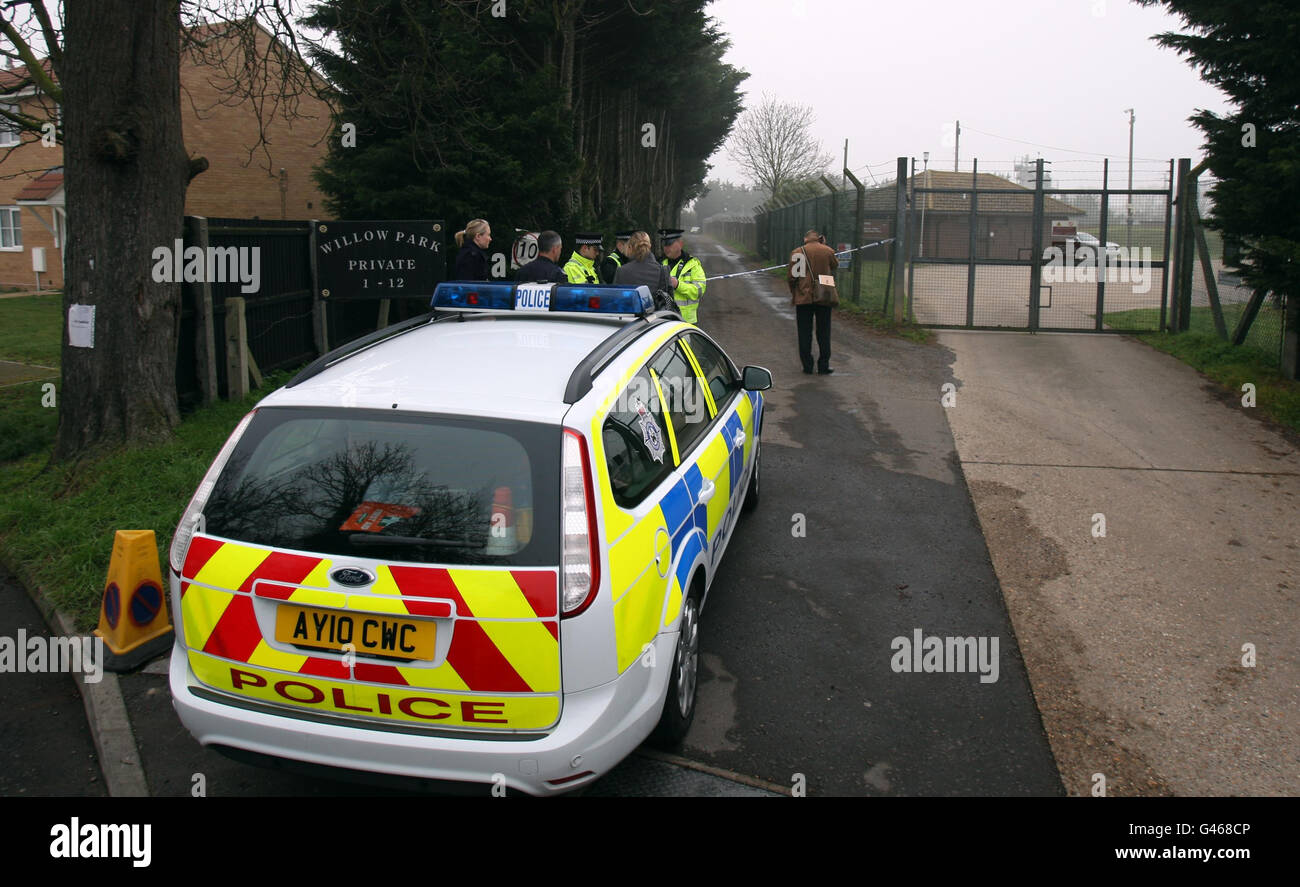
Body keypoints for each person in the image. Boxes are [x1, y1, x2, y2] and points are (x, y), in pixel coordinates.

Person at [787, 229, 839, 374]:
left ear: (806, 239)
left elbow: (793, 277)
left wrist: (795, 292)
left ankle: (807, 365)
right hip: (824, 295)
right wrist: (825, 246)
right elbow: (835, 265)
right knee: (824, 332)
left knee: (804, 332)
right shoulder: (827, 251)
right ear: (819, 238)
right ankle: (824, 365)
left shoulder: (798, 252)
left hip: (803, 297)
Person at [614, 231, 677, 312]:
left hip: (629, 320)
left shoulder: (622, 271)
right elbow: (669, 302)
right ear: (649, 246)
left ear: (631, 248)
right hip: (656, 321)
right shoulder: (662, 271)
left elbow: (616, 301)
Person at [659, 228, 706, 324]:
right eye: (664, 244)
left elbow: (699, 291)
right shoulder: (659, 263)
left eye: (669, 244)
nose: (666, 248)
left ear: (680, 244)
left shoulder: (693, 265)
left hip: (685, 323)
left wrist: (678, 285)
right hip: (663, 321)